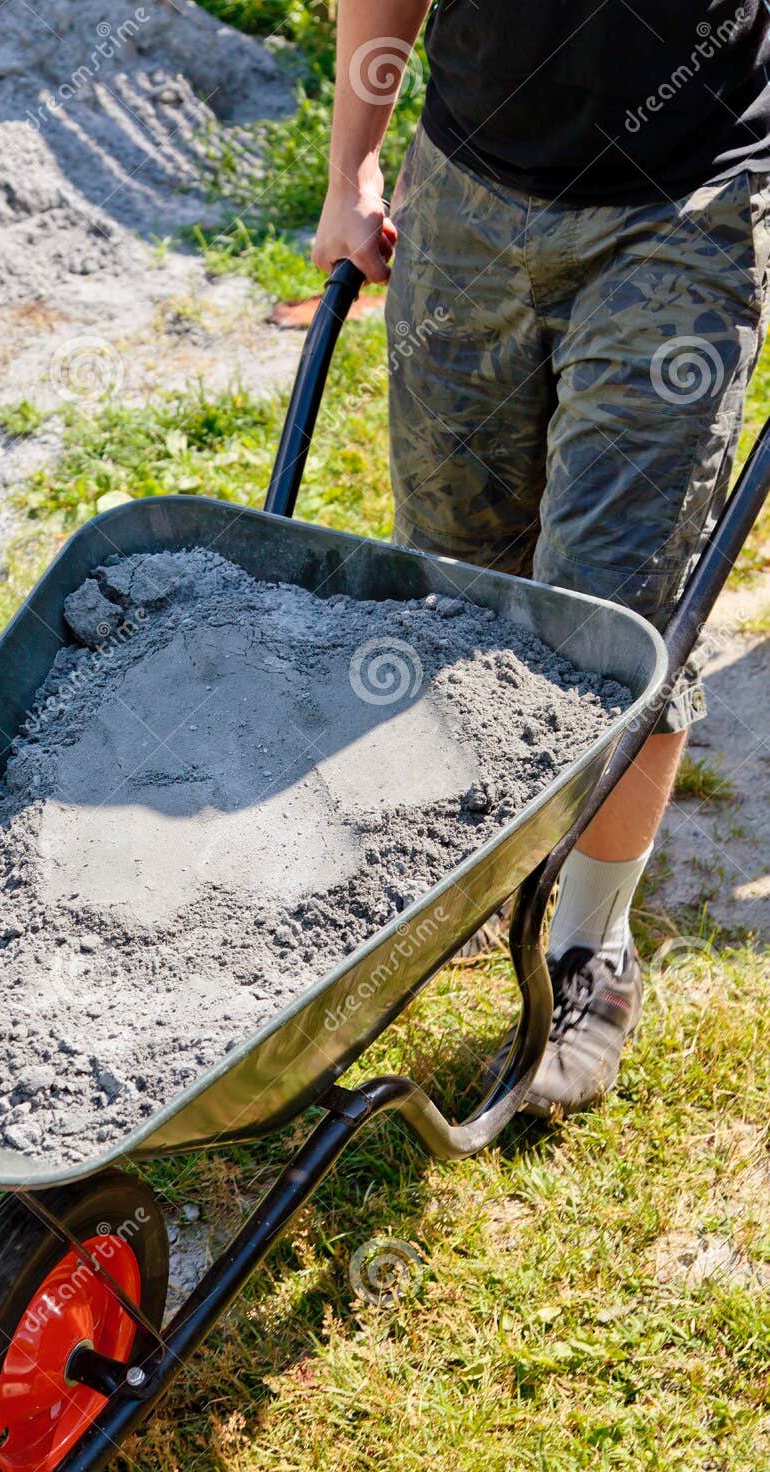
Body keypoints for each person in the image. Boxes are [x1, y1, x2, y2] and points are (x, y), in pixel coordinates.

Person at [313, 1, 770, 1116]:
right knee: (456, 576)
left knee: (613, 612)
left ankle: (587, 949)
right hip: (469, 191)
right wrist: (350, 167)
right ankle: (482, 861)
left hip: (684, 207)